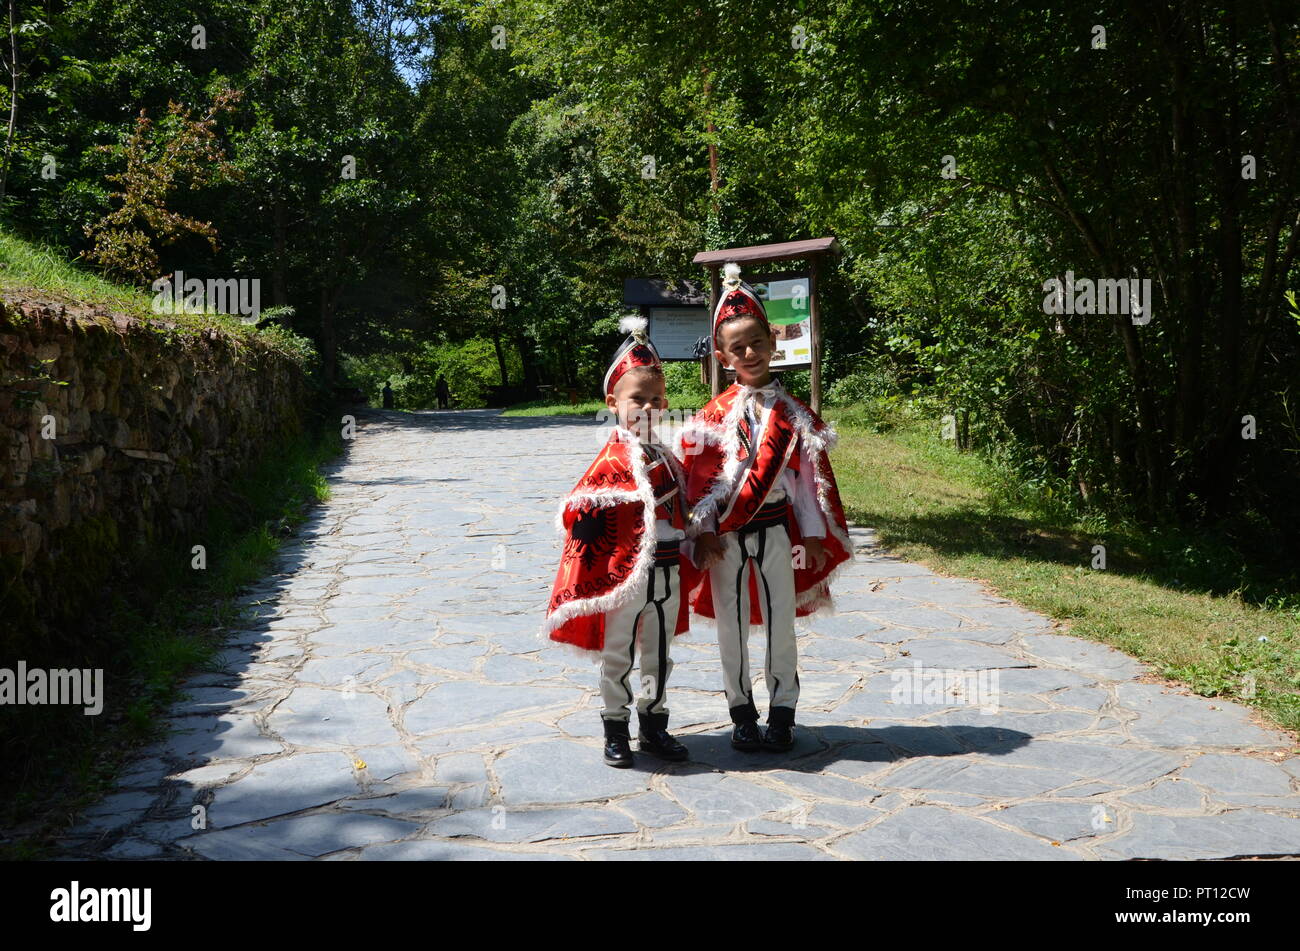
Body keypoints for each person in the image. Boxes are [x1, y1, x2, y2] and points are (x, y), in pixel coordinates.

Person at [680, 262, 854, 753]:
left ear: (773, 343)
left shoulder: (793, 415)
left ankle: (783, 713)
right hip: (726, 539)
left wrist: (815, 535)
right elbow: (699, 487)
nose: (750, 353)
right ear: (722, 355)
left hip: (778, 533)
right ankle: (741, 713)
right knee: (731, 626)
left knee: (781, 621)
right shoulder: (710, 419)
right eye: (738, 347)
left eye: (757, 342)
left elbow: (805, 484)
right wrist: (704, 532)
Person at [543, 316, 698, 768]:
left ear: (665, 402)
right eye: (637, 399)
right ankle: (616, 728)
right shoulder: (610, 459)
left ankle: (654, 725)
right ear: (614, 403)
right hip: (625, 577)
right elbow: (582, 514)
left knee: (659, 656)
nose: (647, 408)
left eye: (655, 399)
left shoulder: (668, 457)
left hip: (668, 569)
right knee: (618, 654)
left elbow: (682, 512)